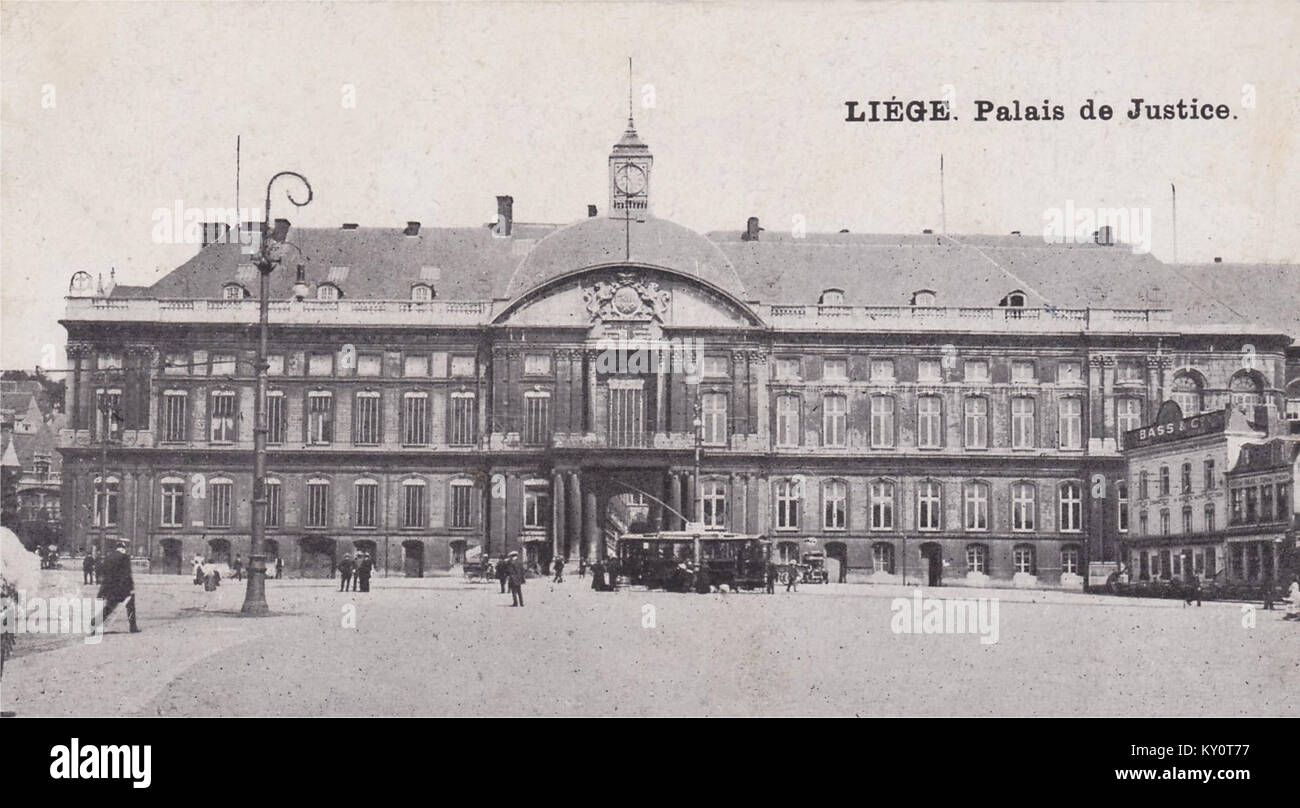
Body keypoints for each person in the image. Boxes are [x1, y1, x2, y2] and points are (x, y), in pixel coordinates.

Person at [92, 541, 139, 634]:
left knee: (109, 608)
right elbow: (126, 574)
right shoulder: (125, 557)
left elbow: (103, 571)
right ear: (124, 548)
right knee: (130, 606)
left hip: (110, 588)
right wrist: (131, 587)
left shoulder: (109, 557)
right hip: (123, 588)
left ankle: (94, 623)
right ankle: (133, 627)